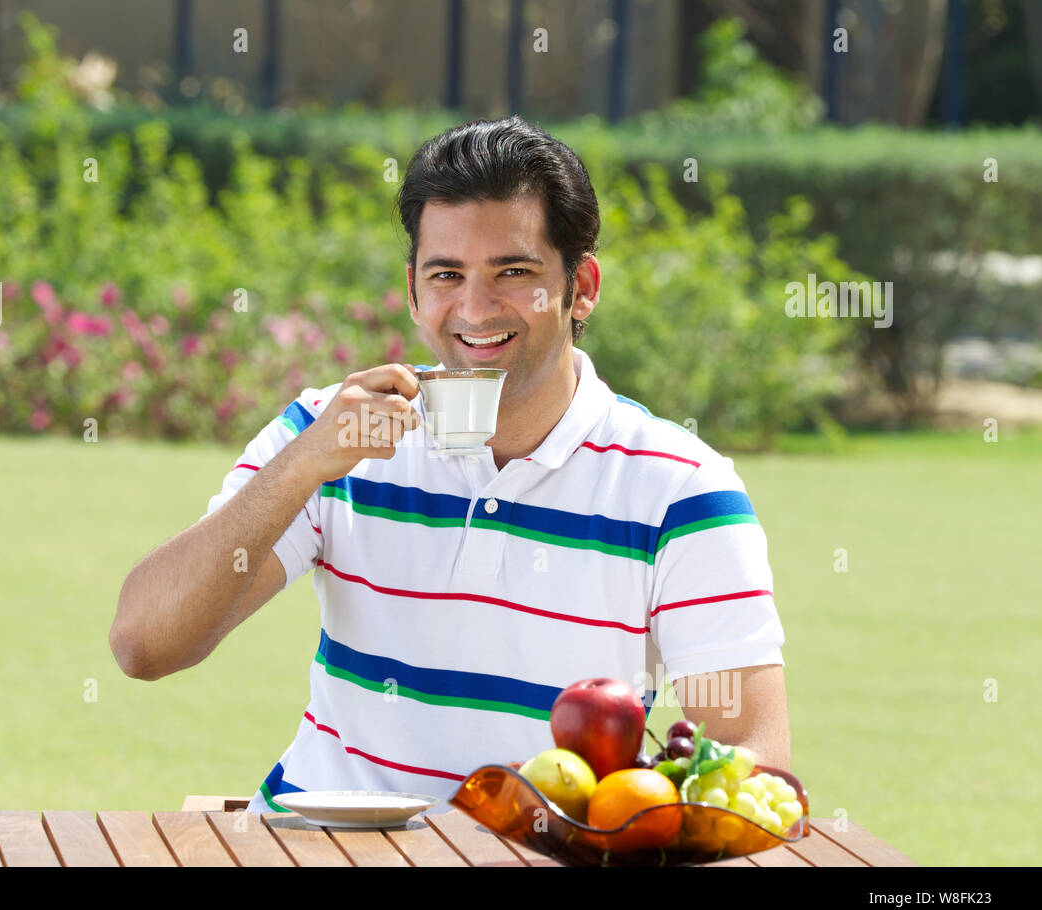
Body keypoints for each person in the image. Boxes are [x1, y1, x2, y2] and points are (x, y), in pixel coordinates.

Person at [108, 116, 790, 815]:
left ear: (581, 286)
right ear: (412, 291)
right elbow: (144, 644)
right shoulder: (328, 435)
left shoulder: (682, 491)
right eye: (446, 275)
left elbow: (752, 759)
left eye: (513, 272)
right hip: (316, 846)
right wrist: (302, 465)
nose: (473, 307)